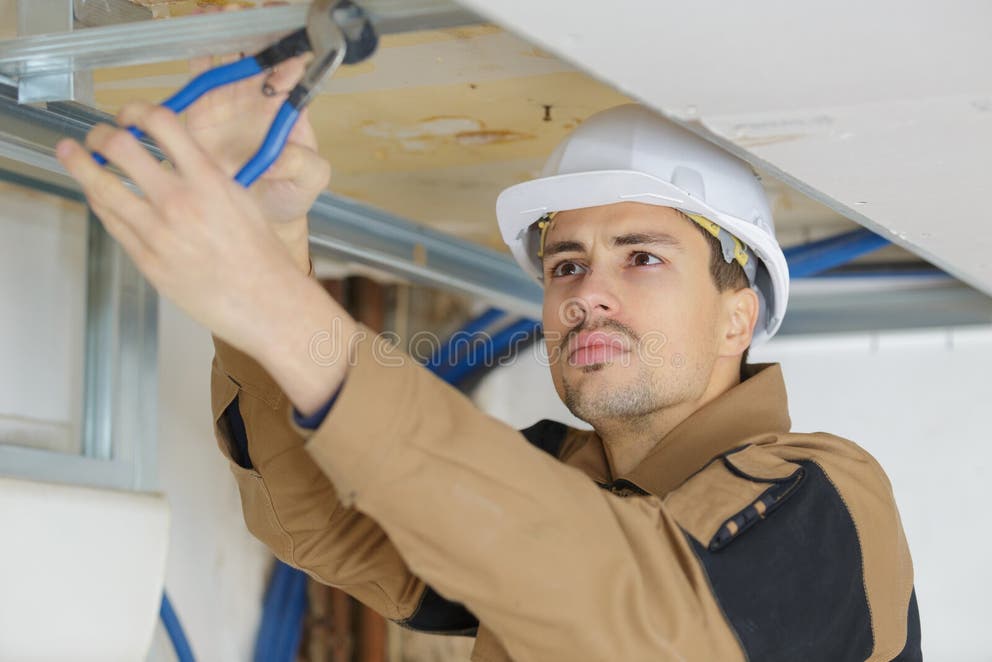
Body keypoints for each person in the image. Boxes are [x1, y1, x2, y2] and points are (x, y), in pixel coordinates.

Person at [56, 55, 921, 661]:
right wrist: (278, 236)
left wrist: (274, 309)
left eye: (642, 257)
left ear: (739, 317)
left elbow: (640, 619)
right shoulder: (558, 484)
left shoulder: (832, 499)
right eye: (567, 264)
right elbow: (323, 517)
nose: (589, 292)